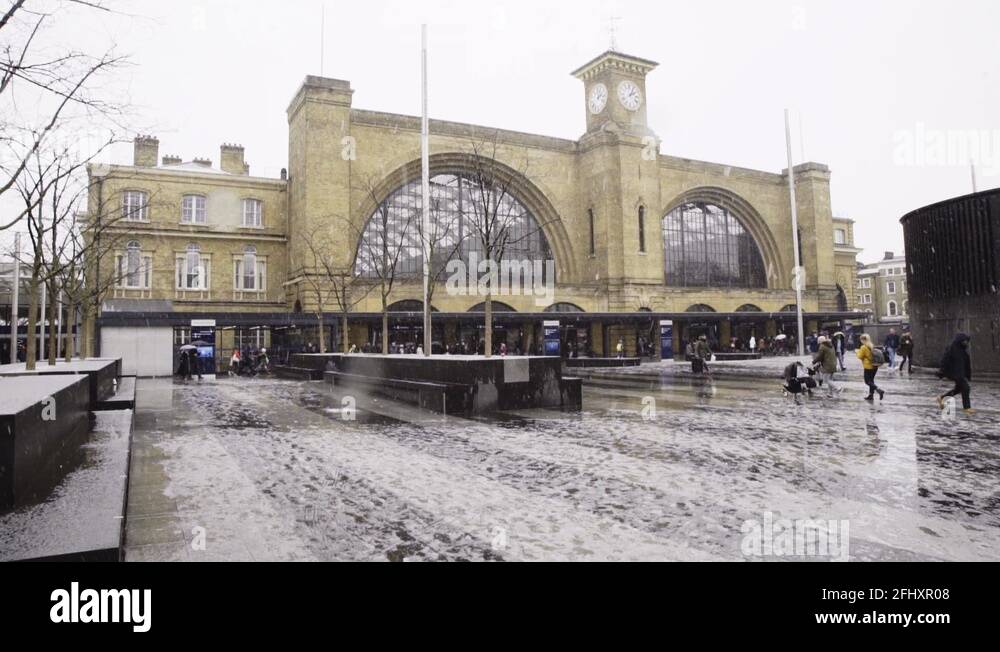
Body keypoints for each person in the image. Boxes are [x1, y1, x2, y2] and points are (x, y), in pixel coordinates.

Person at [937, 333, 973, 414]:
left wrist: (968, 375)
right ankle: (967, 408)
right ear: (960, 341)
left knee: (958, 389)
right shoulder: (952, 349)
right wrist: (942, 371)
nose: (966, 343)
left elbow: (966, 365)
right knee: (966, 388)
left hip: (960, 374)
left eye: (967, 341)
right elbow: (944, 360)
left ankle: (942, 398)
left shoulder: (963, 351)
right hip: (955, 373)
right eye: (965, 341)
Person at [856, 333, 885, 402]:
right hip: (875, 365)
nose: (860, 341)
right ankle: (871, 395)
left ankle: (879, 390)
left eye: (861, 340)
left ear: (863, 340)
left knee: (867, 381)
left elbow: (860, 356)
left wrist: (857, 352)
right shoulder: (871, 345)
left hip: (868, 366)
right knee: (871, 381)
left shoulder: (863, 347)